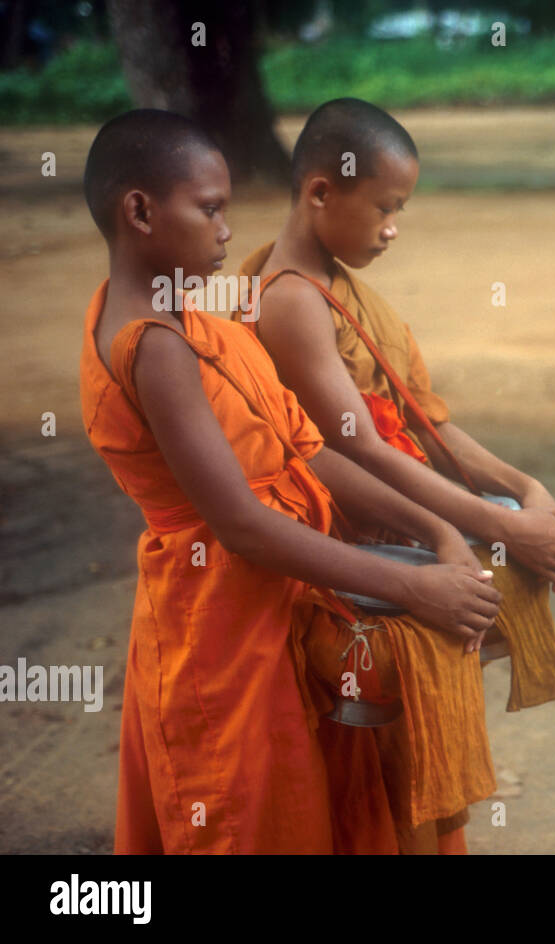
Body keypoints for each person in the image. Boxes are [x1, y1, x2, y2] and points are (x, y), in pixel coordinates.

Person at [79, 109, 499, 854]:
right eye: (209, 209)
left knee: (324, 800)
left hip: (293, 589)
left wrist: (438, 534)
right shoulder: (153, 348)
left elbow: (312, 453)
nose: (226, 232)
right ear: (139, 211)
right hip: (223, 618)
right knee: (255, 815)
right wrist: (408, 586)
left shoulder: (201, 322)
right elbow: (238, 524)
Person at [235, 98, 555, 715]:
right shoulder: (290, 300)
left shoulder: (337, 286)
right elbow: (358, 447)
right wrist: (499, 528)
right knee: (494, 555)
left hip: (401, 498)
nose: (393, 227)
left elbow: (425, 423)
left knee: (513, 524)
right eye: (385, 207)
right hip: (352, 524)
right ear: (320, 191)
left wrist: (526, 491)